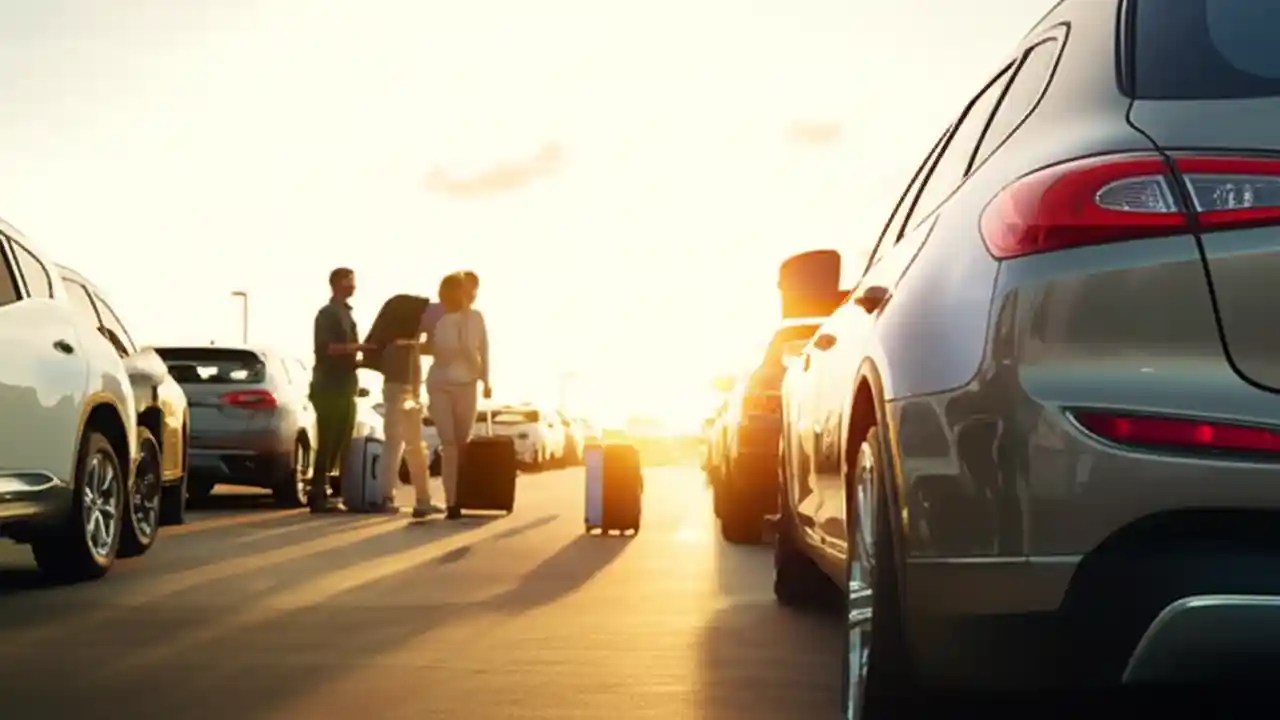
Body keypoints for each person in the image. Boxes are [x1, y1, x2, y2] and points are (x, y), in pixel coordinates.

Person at [369, 296, 445, 518]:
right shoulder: (408, 343)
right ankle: (421, 499)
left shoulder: (397, 344)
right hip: (406, 389)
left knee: (395, 442)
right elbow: (435, 344)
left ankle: (389, 497)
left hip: (397, 388)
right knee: (412, 444)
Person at [426, 272, 491, 520]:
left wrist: (486, 378)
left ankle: (462, 494)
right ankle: (451, 500)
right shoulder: (438, 318)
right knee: (449, 442)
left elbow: (483, 348)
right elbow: (433, 348)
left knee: (463, 441)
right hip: (440, 384)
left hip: (467, 384)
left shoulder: (475, 318)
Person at [309, 267, 370, 513]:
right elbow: (327, 349)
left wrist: (363, 357)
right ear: (335, 284)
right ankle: (318, 494)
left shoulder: (347, 313)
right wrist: (359, 346)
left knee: (342, 440)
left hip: (346, 385)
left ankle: (336, 493)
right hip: (329, 385)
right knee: (328, 440)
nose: (353, 286)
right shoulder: (327, 314)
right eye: (348, 281)